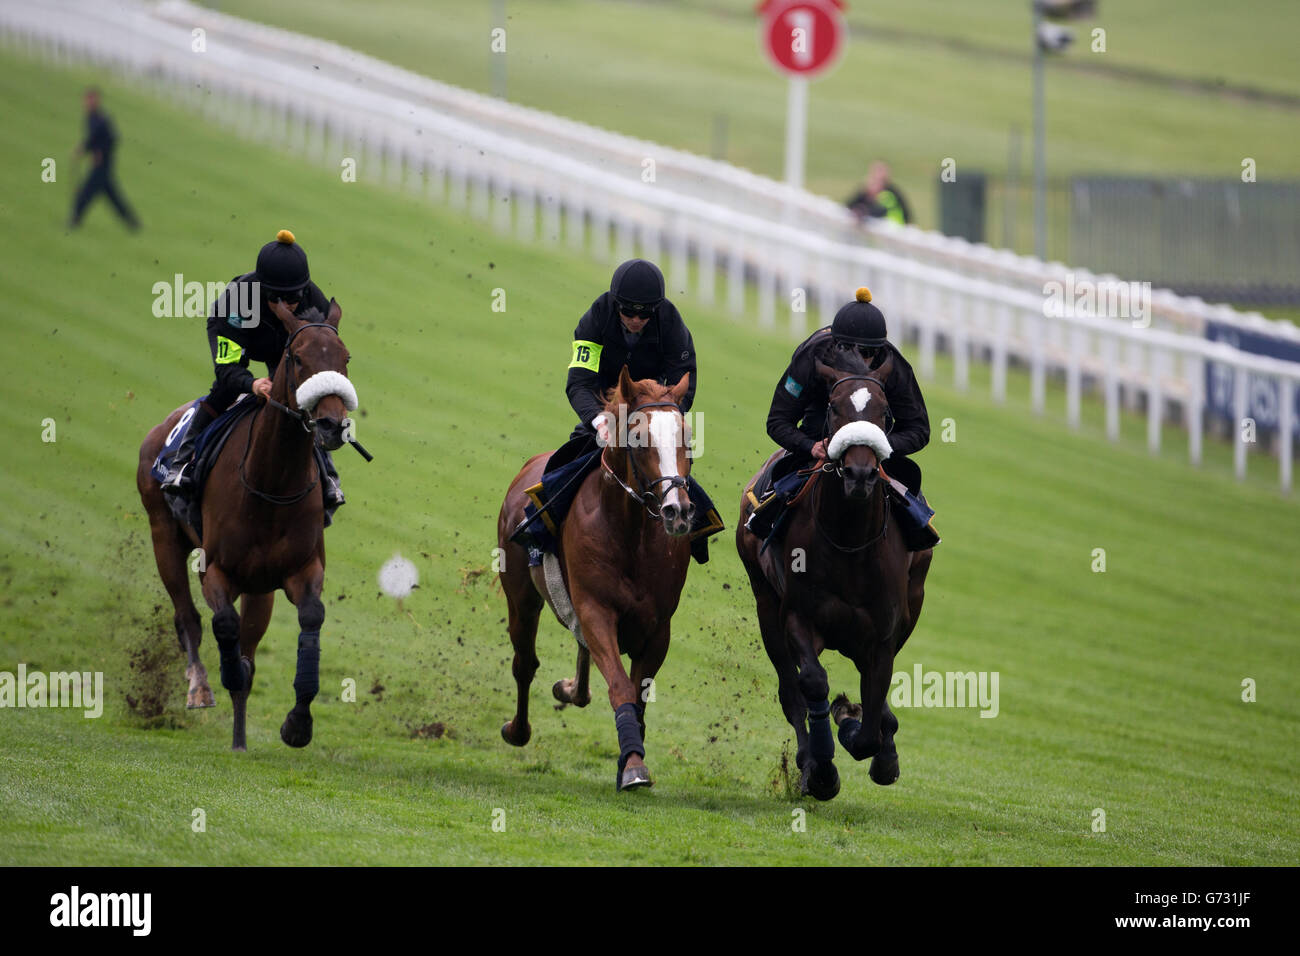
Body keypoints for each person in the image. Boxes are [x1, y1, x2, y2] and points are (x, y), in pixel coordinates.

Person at [161, 229, 343, 512]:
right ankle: (182, 463)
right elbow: (228, 369)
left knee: (302, 403)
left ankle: (328, 476)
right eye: (280, 298)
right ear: (262, 289)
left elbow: (320, 361)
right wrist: (252, 384)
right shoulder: (237, 302)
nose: (289, 305)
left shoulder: (314, 302)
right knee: (223, 391)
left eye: (295, 297)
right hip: (243, 334)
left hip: (287, 343)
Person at [747, 287, 938, 549]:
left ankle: (915, 555)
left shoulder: (895, 367)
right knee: (772, 491)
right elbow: (777, 421)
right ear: (835, 345)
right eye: (847, 349)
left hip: (875, 451)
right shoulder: (811, 356)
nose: (857, 358)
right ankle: (763, 530)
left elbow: (919, 429)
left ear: (879, 351)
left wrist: (880, 446)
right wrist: (809, 445)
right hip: (819, 441)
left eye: (866, 353)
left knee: (912, 501)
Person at [551, 258, 697, 470]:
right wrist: (599, 420)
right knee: (562, 467)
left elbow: (684, 386)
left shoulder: (671, 325)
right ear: (616, 303)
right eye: (628, 311)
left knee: (682, 480)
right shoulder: (596, 319)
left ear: (655, 309)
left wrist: (663, 420)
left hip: (654, 414)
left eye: (645, 313)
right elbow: (579, 383)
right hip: (605, 410)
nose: (636, 319)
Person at [68, 88, 140, 231]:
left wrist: (97, 152)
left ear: (97, 101)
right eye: (87, 100)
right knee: (112, 195)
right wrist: (89, 150)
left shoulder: (102, 119)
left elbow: (110, 139)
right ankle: (132, 222)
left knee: (86, 192)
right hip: (100, 163)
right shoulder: (91, 118)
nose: (88, 103)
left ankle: (74, 220)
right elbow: (94, 139)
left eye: (91, 100)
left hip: (103, 164)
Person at [846, 161, 911, 226]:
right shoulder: (867, 190)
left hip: (895, 227)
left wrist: (863, 211)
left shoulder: (889, 194)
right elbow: (849, 204)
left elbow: (880, 212)